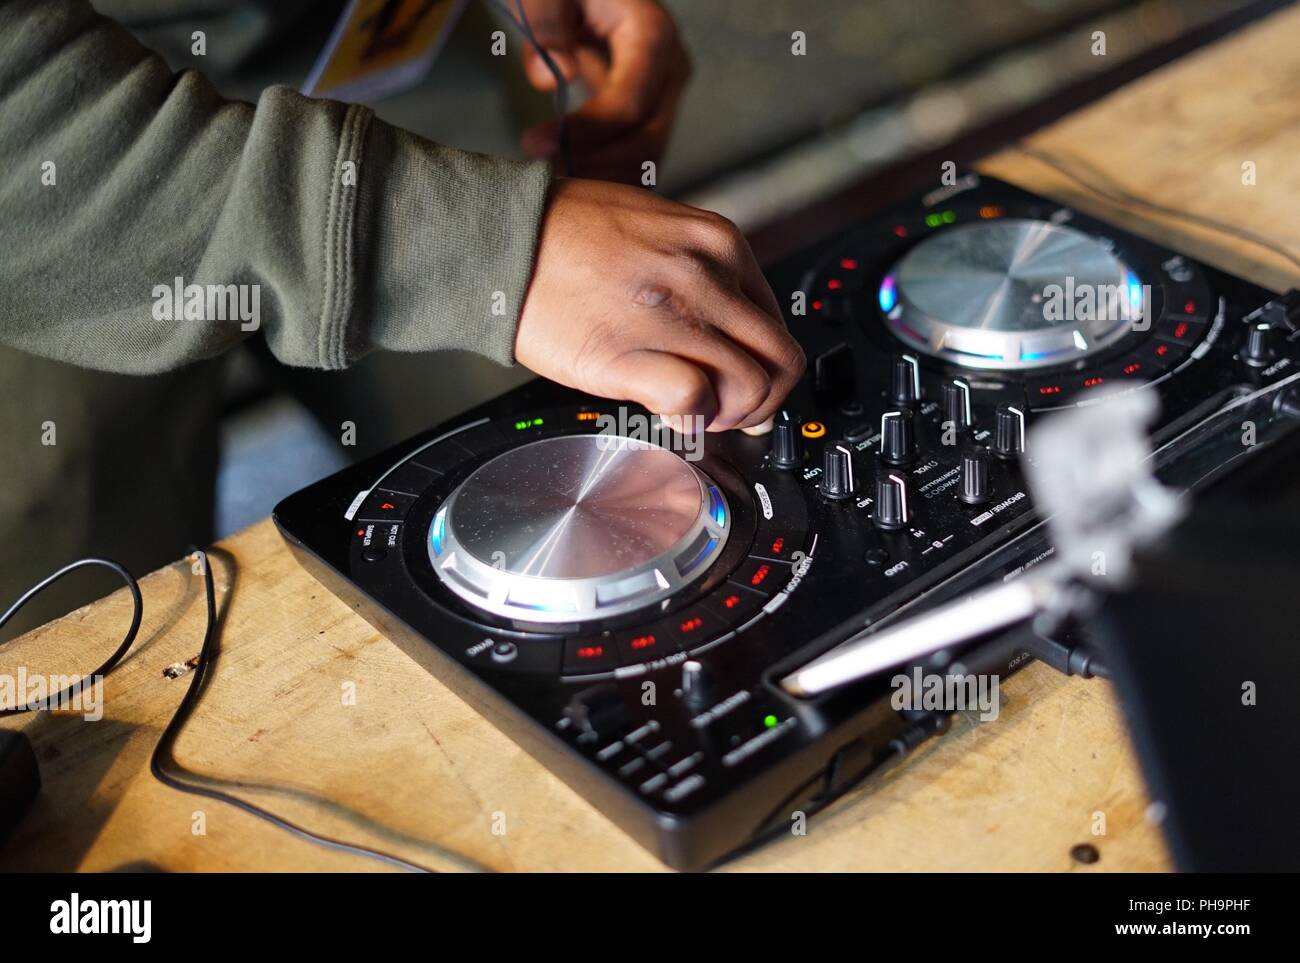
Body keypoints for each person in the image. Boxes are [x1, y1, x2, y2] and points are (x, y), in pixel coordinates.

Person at [0, 0, 804, 633]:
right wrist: (482, 246)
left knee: (569, 473)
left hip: (368, 33)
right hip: (47, 144)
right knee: (82, 638)